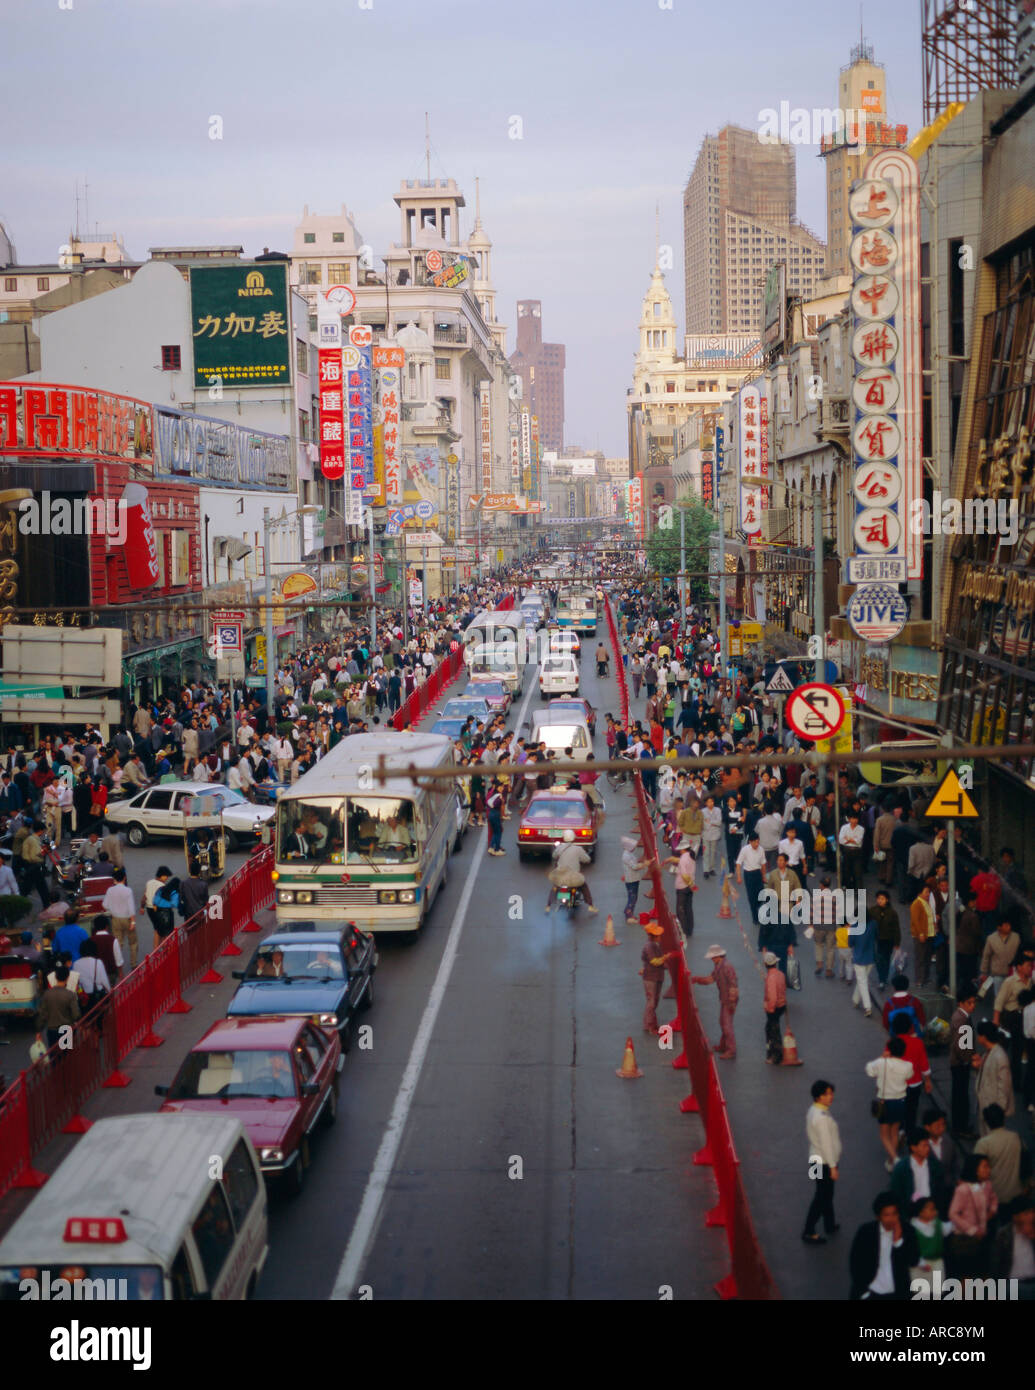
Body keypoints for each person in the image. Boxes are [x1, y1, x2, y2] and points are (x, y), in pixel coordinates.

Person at [848, 1192, 919, 1300]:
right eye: (886, 1215)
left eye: (894, 1214)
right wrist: (863, 1291)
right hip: (871, 1292)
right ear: (878, 1216)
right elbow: (855, 1262)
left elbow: (913, 1260)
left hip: (897, 1292)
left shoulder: (908, 1231)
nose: (891, 1219)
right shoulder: (866, 1232)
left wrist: (898, 1242)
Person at [802, 1079, 841, 1245]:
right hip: (824, 1162)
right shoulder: (822, 1117)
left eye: (831, 1093)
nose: (830, 1096)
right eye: (826, 1094)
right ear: (818, 1097)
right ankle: (809, 1230)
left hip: (814, 1158)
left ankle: (829, 1224)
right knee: (822, 1196)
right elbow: (826, 1143)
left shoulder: (814, 1110)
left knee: (824, 1192)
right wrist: (833, 1166)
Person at [866, 1035, 914, 1170]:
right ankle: (891, 1161)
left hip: (885, 1102)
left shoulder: (882, 1063)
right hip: (900, 1101)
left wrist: (882, 1057)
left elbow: (869, 1070)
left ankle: (895, 1159)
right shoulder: (907, 1066)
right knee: (894, 1132)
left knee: (884, 1134)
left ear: (890, 1050)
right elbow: (909, 1076)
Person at [947, 1154, 998, 1277]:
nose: (988, 1170)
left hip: (982, 1237)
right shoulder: (963, 1189)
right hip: (965, 1240)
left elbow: (994, 1199)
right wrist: (972, 1229)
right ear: (975, 1169)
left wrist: (991, 1211)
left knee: (983, 1275)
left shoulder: (988, 1186)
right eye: (984, 1167)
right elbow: (953, 1214)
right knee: (967, 1277)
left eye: (988, 1167)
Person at [974, 1102, 1028, 1210]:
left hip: (993, 1196)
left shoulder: (983, 1144)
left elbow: (975, 1172)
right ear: (1003, 1119)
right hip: (1016, 1194)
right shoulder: (1016, 1138)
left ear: (987, 1122)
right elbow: (1026, 1163)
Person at [692, 943, 739, 1059]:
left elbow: (733, 985)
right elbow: (710, 979)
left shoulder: (726, 967)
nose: (711, 959)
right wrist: (698, 980)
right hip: (725, 998)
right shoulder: (719, 965)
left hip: (728, 999)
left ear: (718, 956)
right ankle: (723, 1045)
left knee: (726, 1024)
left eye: (713, 957)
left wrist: (732, 1002)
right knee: (723, 1022)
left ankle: (731, 1050)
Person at [993, 954, 1033, 1089]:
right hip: (1010, 1018)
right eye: (1028, 966)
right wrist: (996, 1019)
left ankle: (1016, 1083)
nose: (1030, 968)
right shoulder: (1010, 981)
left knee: (1018, 1050)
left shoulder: (1030, 981)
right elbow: (999, 1001)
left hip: (1023, 1019)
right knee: (1003, 1050)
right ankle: (997, 1078)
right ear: (1019, 967)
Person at [890, 1129, 948, 1218]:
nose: (928, 1149)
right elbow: (896, 1193)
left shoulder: (935, 1165)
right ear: (913, 1148)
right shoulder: (901, 1168)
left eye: (928, 1145)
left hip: (931, 1207)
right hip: (911, 1209)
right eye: (924, 1146)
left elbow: (941, 1189)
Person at [975, 1021, 1015, 1134]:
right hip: (985, 1105)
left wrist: (998, 1112)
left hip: (993, 1110)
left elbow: (1004, 1088)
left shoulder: (1000, 1057)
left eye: (979, 1034)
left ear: (984, 1037)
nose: (978, 1037)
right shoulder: (988, 1053)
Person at [990, 1201, 1035, 1297]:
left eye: (1031, 1212)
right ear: (1016, 1216)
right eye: (1026, 1213)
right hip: (1011, 1285)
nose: (1030, 1216)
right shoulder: (1004, 1234)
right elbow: (996, 1263)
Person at [546, 830, 597, 913]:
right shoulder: (578, 849)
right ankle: (591, 906)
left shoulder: (560, 848)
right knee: (584, 886)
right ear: (573, 837)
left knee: (555, 887)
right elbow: (587, 859)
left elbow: (554, 856)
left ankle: (548, 906)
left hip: (560, 877)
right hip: (573, 878)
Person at [638, 919, 674, 1034]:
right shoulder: (649, 947)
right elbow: (655, 962)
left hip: (656, 976)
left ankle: (650, 1023)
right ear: (653, 936)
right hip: (650, 977)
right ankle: (650, 1025)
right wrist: (665, 958)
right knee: (652, 1002)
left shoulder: (654, 945)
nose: (660, 937)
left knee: (654, 1001)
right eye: (658, 935)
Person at [35, 964, 80, 1052]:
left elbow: (42, 1015)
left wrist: (38, 1030)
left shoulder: (47, 994)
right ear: (67, 977)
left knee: (55, 1056)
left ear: (55, 977)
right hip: (66, 1029)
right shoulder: (70, 995)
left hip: (52, 1030)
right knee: (67, 1056)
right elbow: (76, 1015)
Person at [101, 867, 138, 971]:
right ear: (124, 878)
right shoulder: (128, 890)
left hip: (115, 919)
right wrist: (133, 921)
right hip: (127, 919)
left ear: (114, 879)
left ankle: (117, 965)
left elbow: (105, 905)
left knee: (118, 943)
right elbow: (131, 907)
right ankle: (133, 964)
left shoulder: (110, 890)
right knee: (133, 942)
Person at [661, 837, 697, 939]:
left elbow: (685, 875)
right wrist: (670, 859)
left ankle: (683, 931)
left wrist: (689, 883)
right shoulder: (691, 855)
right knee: (688, 908)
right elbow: (681, 860)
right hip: (689, 888)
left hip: (682, 887)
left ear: (683, 849)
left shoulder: (683, 859)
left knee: (680, 909)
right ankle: (689, 930)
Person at [909, 881, 938, 988]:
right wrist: (920, 933)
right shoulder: (916, 904)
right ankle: (919, 980)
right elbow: (916, 921)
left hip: (930, 934)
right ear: (920, 892)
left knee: (927, 957)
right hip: (921, 935)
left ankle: (925, 977)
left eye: (928, 892)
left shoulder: (926, 903)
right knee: (920, 958)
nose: (928, 894)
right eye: (926, 892)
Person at [871, 889, 901, 992]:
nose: (880, 900)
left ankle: (884, 978)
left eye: (882, 898)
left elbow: (896, 928)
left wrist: (897, 942)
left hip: (888, 940)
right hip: (877, 940)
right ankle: (881, 979)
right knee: (879, 960)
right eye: (878, 898)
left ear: (887, 900)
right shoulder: (872, 911)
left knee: (886, 960)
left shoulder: (892, 913)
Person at [735, 831, 767, 927]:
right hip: (748, 874)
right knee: (751, 897)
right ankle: (755, 917)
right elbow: (738, 863)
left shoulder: (761, 849)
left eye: (758, 842)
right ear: (750, 842)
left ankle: (757, 907)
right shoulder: (745, 850)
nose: (757, 844)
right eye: (755, 842)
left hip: (758, 873)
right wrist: (739, 876)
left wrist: (764, 876)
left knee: (761, 894)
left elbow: (763, 864)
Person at [851, 910, 877, 1018]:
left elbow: (850, 943)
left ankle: (867, 1007)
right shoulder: (873, 924)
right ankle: (856, 999)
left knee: (862, 982)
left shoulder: (854, 927)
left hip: (859, 958)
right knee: (862, 979)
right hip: (871, 958)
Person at [763, 951, 786, 1065]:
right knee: (771, 1029)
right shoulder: (780, 974)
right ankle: (773, 1053)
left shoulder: (771, 977)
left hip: (774, 1007)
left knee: (773, 1031)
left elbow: (773, 996)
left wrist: (770, 1008)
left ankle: (776, 1056)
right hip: (782, 1005)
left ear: (766, 964)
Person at [620, 834, 649, 921]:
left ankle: (627, 911)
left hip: (632, 878)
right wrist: (644, 864)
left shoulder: (628, 854)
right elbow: (635, 866)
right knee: (633, 897)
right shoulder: (627, 856)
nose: (634, 848)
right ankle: (629, 915)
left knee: (632, 897)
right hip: (632, 880)